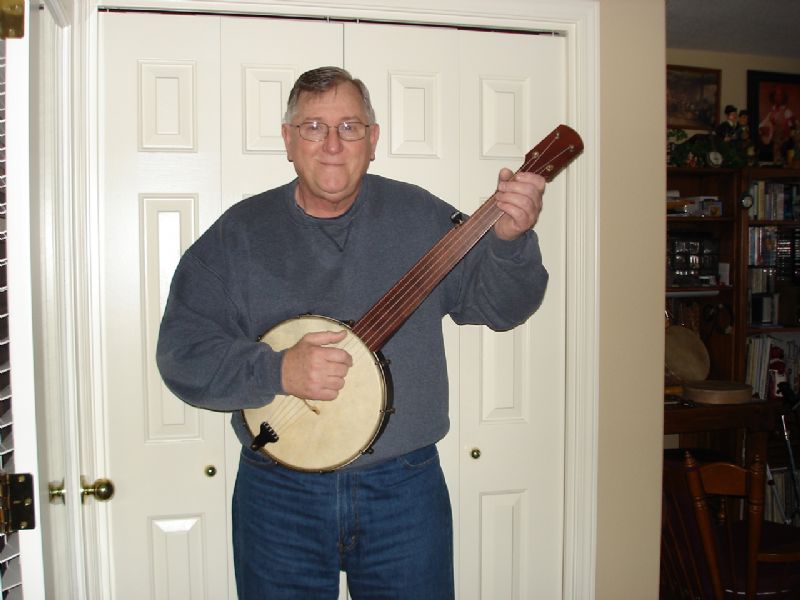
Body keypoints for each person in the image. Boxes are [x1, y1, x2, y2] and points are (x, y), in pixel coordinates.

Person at [156, 66, 548, 599]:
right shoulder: (239, 235)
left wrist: (509, 241)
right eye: (314, 127)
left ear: (374, 139)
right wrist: (278, 370)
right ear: (289, 140)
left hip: (404, 487)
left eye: (350, 127)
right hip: (279, 493)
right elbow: (183, 355)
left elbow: (503, 308)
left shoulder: (422, 216)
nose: (333, 144)